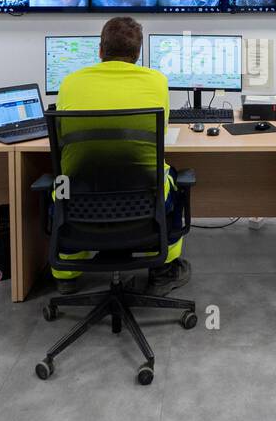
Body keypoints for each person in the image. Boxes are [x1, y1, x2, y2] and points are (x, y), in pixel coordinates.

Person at [51, 16, 190, 295]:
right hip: (143, 201)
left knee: (63, 184)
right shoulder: (156, 82)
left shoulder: (69, 83)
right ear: (137, 54)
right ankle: (163, 270)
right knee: (173, 178)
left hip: (79, 200)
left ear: (100, 50)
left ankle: (66, 276)